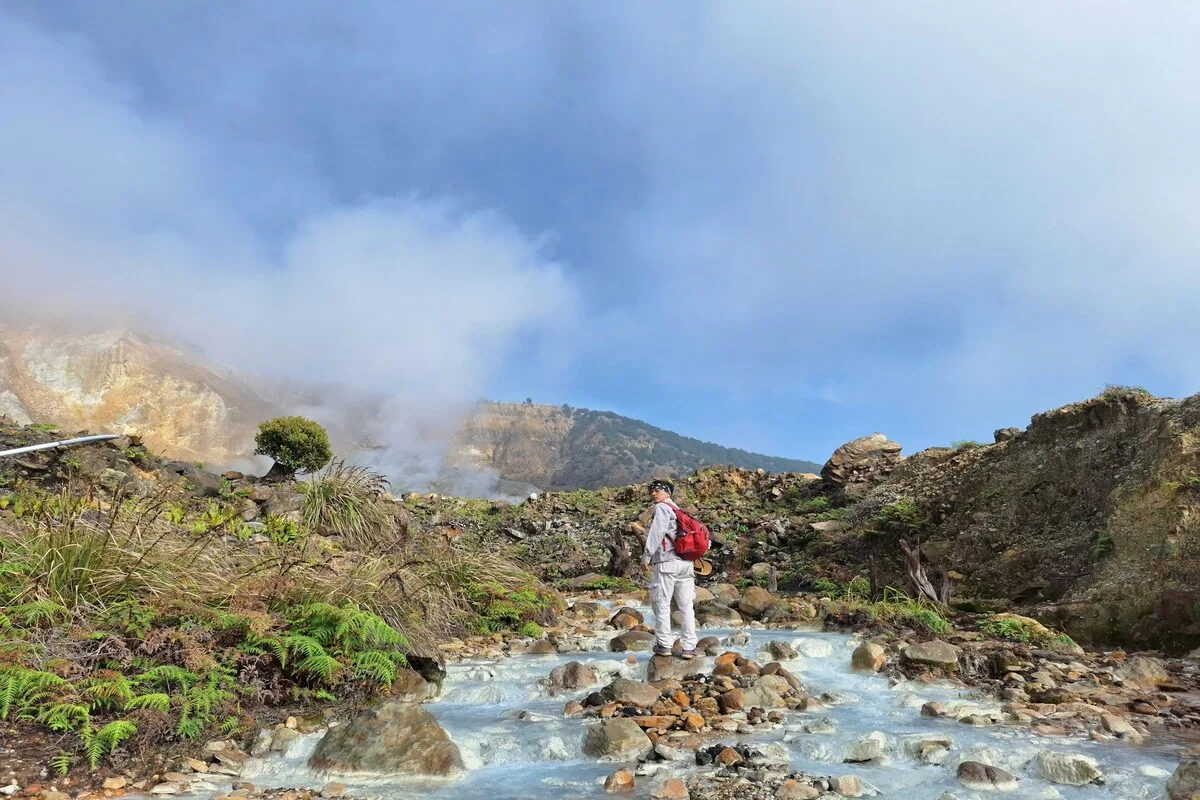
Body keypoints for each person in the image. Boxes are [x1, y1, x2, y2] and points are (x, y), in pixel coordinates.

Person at [640, 479, 698, 659]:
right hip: (686, 565)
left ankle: (664, 644)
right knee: (686, 607)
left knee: (661, 604)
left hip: (666, 563)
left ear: (667, 493)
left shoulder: (662, 508)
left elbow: (657, 532)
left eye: (657, 490)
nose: (653, 493)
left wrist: (646, 556)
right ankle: (689, 647)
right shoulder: (680, 512)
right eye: (652, 491)